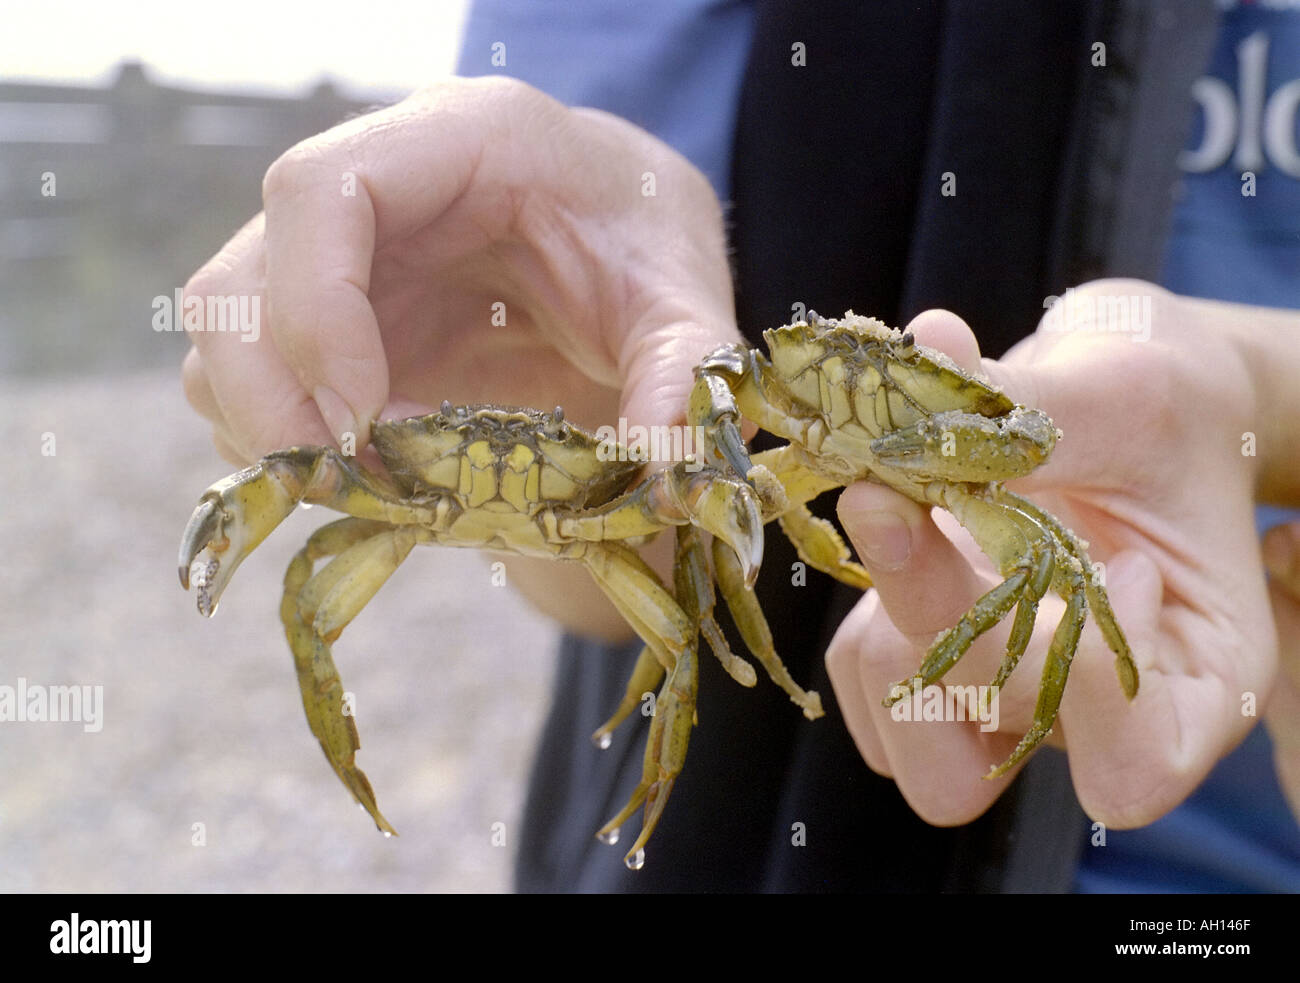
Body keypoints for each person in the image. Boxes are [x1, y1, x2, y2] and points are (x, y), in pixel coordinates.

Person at [181, 1, 1299, 890]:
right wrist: (591, 390)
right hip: (766, 820)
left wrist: (1248, 395)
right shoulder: (747, 400)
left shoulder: (973, 448)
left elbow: (1028, 459)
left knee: (1034, 569)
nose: (861, 383)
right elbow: (672, 547)